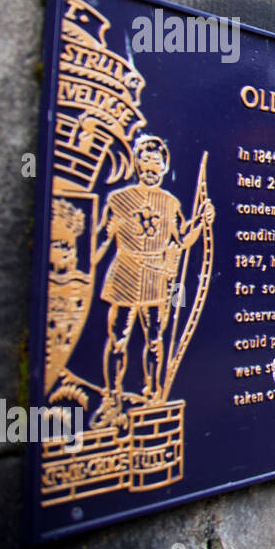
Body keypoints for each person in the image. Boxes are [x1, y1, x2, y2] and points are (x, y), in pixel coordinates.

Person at [90, 135, 213, 428]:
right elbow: (101, 239)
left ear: (163, 165)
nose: (150, 167)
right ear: (136, 163)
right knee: (118, 339)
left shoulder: (170, 203)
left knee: (155, 340)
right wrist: (82, 261)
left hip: (156, 277)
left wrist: (200, 221)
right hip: (125, 273)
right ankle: (111, 399)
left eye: (156, 162)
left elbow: (182, 239)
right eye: (145, 161)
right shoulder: (118, 199)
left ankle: (153, 393)